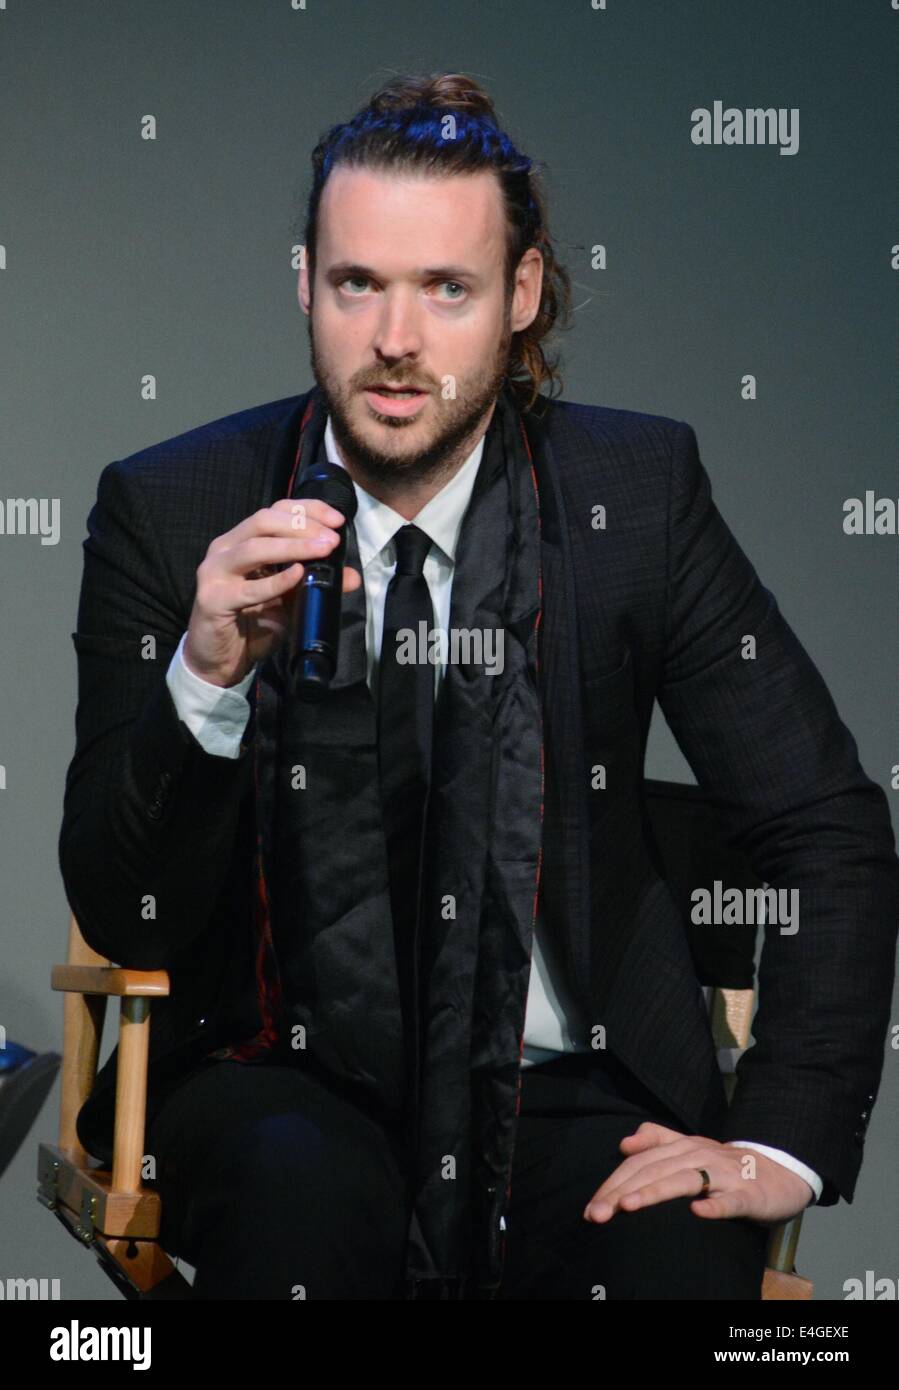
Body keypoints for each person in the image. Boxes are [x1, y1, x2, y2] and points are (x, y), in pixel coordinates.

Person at [59, 72, 899, 1300]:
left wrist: (779, 1136)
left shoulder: (634, 497)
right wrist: (205, 675)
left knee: (677, 1276)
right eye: (357, 284)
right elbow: (125, 911)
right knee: (300, 1216)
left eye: (444, 289)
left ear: (519, 295)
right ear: (305, 284)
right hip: (272, 1075)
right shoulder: (172, 507)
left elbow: (823, 823)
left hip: (568, 1087)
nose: (394, 340)